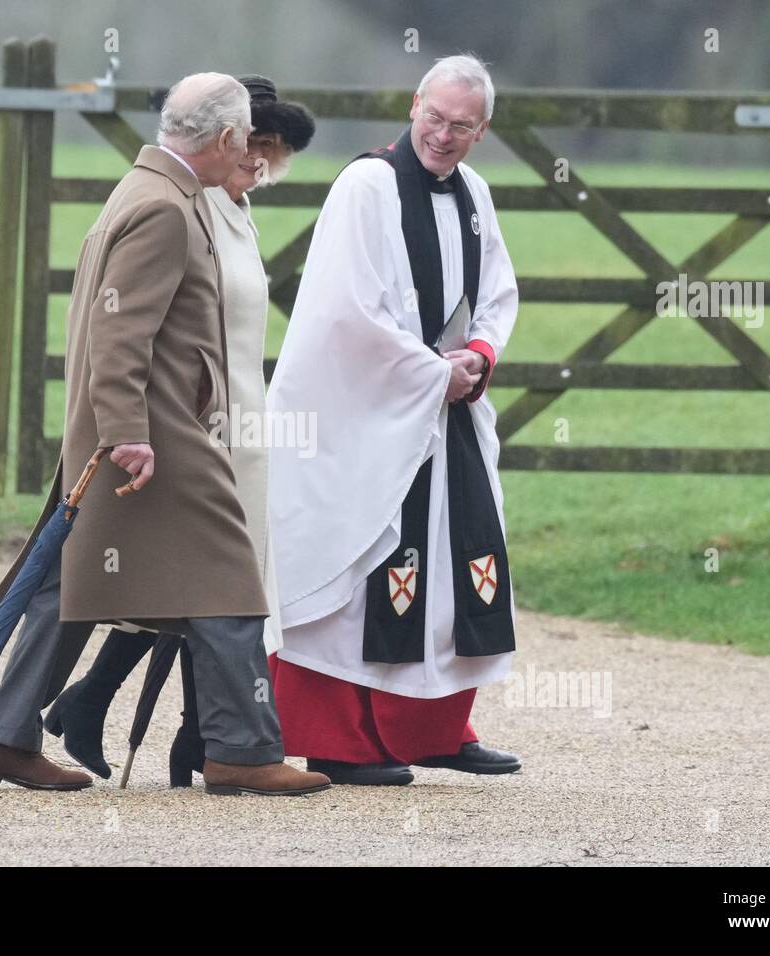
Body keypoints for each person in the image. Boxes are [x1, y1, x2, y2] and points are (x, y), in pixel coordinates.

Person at [0, 72, 330, 797]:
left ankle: (3, 738)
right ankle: (241, 751)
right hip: (161, 432)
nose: (252, 160)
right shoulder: (166, 207)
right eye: (245, 145)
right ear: (227, 138)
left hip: (144, 427)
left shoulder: (148, 188)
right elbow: (119, 332)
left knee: (70, 587)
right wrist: (130, 431)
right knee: (229, 578)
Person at [264, 54, 522, 786]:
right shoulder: (366, 185)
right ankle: (337, 742)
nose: (443, 135)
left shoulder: (474, 192)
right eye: (434, 117)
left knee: (453, 562)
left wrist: (477, 354)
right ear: (414, 106)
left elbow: (498, 289)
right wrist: (431, 373)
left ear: (482, 131)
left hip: (447, 410)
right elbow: (349, 308)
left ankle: (435, 728)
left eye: (461, 125)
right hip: (363, 414)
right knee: (357, 565)